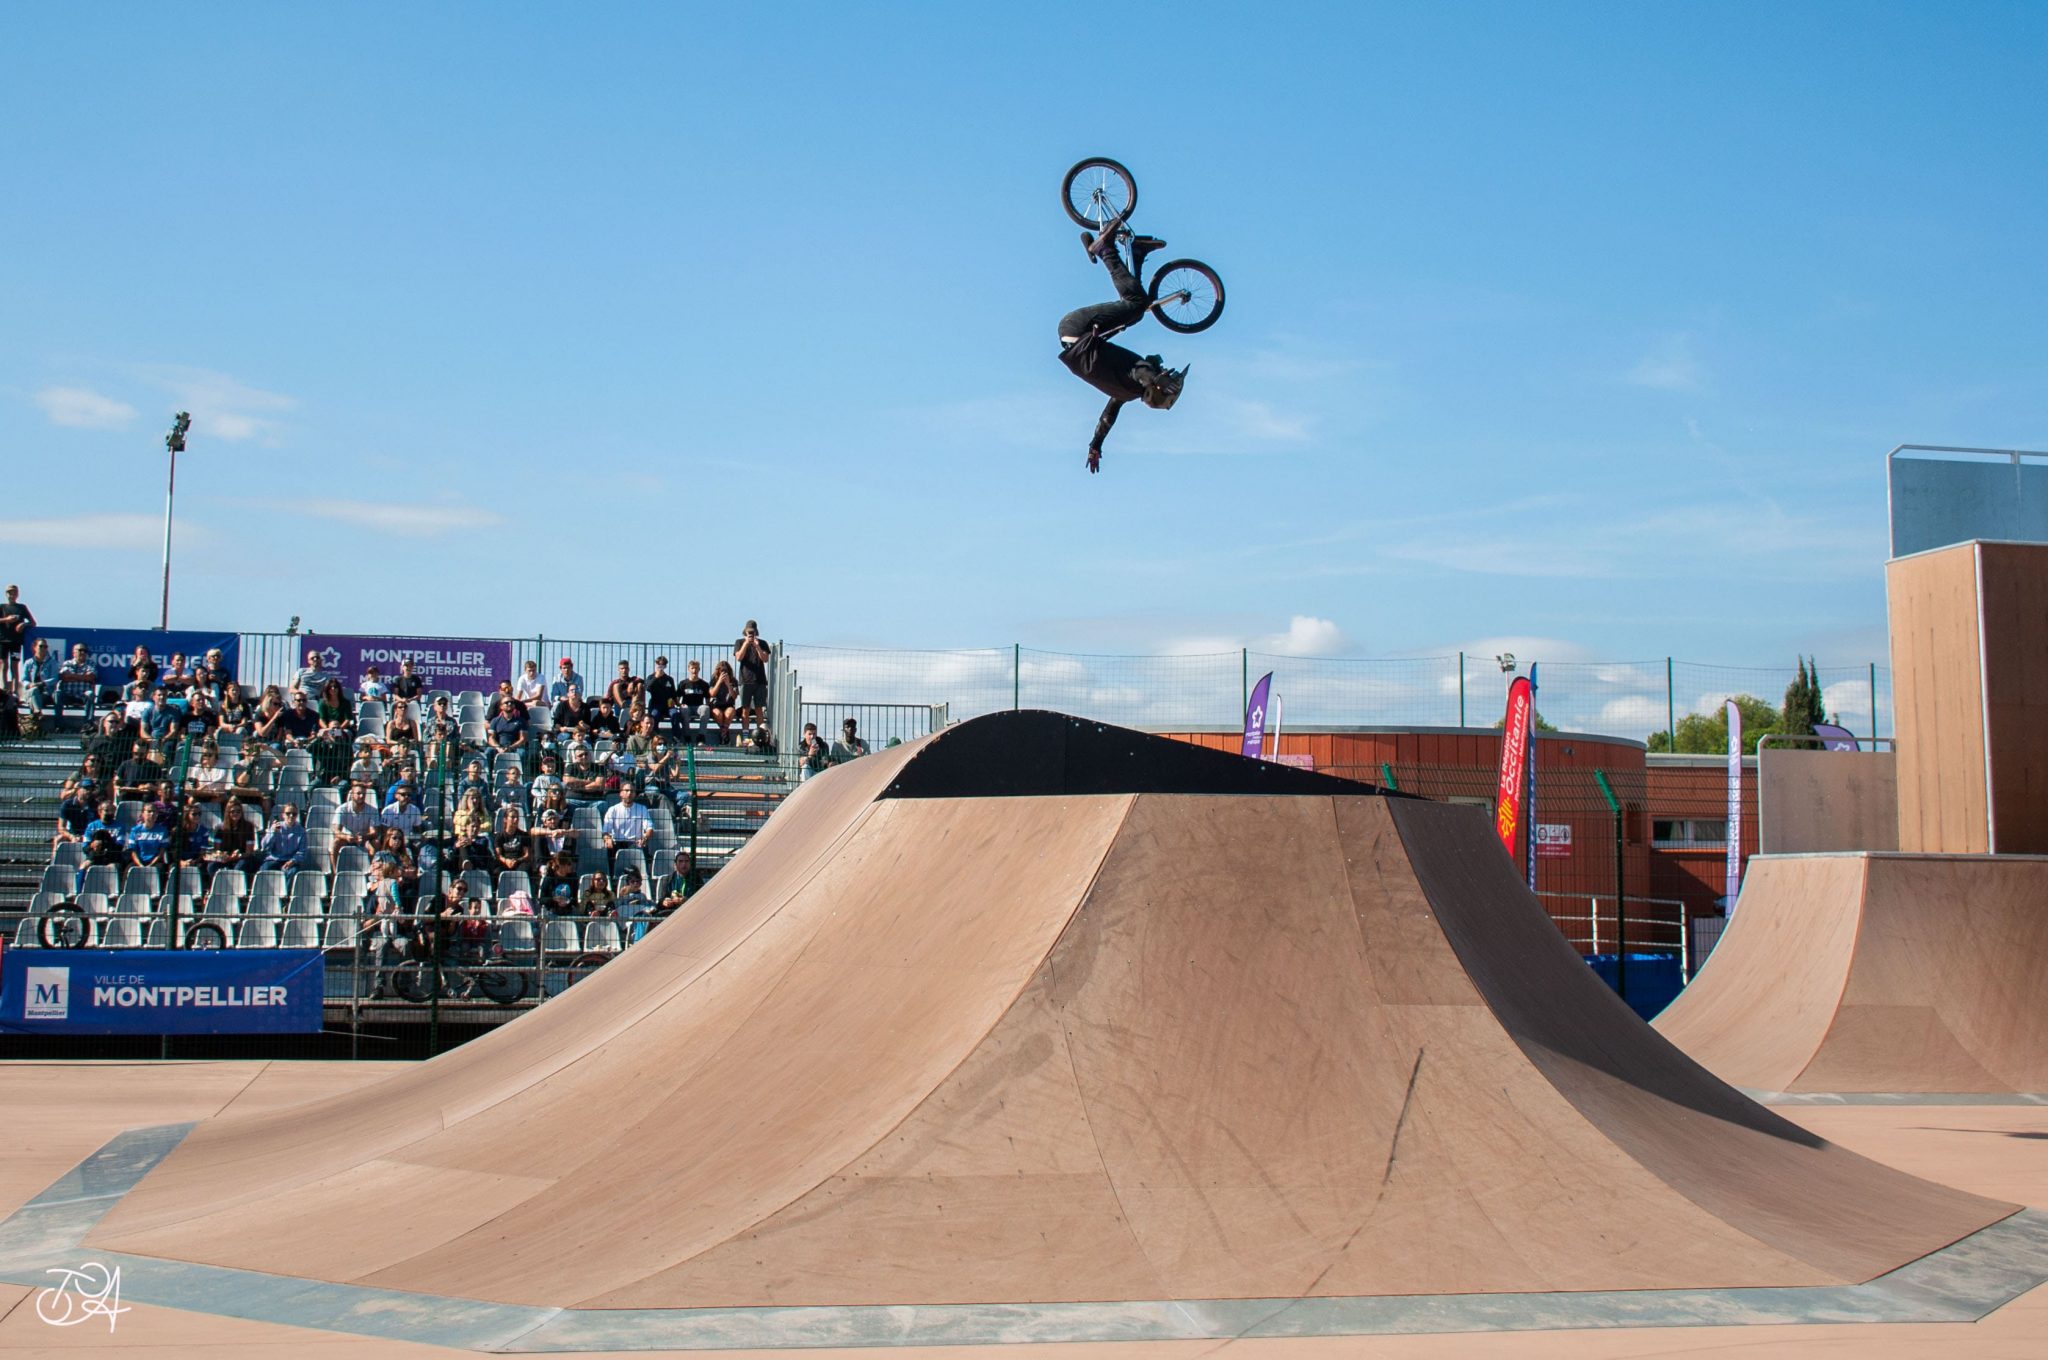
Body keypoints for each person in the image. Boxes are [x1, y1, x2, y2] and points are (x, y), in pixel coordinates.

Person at [1057, 213, 1187, 473]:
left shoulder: (1140, 378)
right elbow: (1107, 418)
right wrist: (1096, 444)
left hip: (1078, 330)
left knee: (1137, 306)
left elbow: (1142, 374)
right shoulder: (1124, 394)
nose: (1164, 370)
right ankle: (1136, 254)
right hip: (1079, 340)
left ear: (1158, 387)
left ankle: (1105, 249)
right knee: (1135, 309)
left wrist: (1153, 377)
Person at [600, 783, 652, 870]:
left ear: (635, 794)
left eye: (632, 791)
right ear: (620, 793)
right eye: (627, 790)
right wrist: (607, 838)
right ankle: (613, 878)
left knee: (643, 848)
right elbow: (606, 830)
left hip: (636, 842)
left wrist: (645, 838)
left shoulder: (642, 809)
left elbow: (650, 828)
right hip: (618, 842)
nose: (629, 793)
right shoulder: (613, 810)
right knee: (609, 849)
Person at [732, 621, 770, 733]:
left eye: (752, 632)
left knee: (759, 709)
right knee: (745, 709)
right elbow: (739, 657)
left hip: (760, 680)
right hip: (745, 679)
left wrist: (757, 647)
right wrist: (746, 644)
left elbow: (765, 659)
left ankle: (760, 733)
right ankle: (745, 733)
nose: (751, 635)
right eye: (749, 632)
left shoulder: (762, 643)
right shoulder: (739, 642)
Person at [210, 797, 259, 876]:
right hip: (225, 858)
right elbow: (217, 849)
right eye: (232, 811)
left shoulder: (248, 826)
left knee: (239, 867)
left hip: (242, 857)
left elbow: (249, 852)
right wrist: (224, 856)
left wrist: (236, 856)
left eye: (238, 811)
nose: (235, 813)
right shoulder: (220, 828)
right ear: (228, 813)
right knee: (211, 866)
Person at [257, 801, 309, 876]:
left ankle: (286, 888)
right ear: (283, 815)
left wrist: (293, 861)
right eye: (288, 813)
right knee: (264, 870)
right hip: (274, 858)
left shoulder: (301, 831)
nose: (291, 816)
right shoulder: (276, 827)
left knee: (291, 872)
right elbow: (264, 846)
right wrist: (272, 833)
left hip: (290, 860)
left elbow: (302, 851)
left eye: (294, 814)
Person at [0, 584, 34, 695]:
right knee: (3, 665)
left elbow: (33, 622)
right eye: (10, 593)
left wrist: (23, 624)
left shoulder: (22, 608)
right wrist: (6, 620)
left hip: (16, 641)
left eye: (14, 593)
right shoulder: (2, 607)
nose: (12, 595)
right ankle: (4, 690)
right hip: (2, 641)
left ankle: (15, 691)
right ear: (6, 594)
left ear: (17, 594)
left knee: (14, 666)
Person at [57, 643, 97, 728]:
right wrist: (82, 676)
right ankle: (59, 725)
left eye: (85, 651)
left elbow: (90, 677)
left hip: (83, 695)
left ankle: (88, 725)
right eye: (80, 650)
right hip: (68, 694)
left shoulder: (91, 664)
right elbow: (63, 677)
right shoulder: (67, 663)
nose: (83, 652)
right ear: (73, 652)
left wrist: (72, 676)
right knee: (58, 694)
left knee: (90, 694)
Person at [124, 801, 172, 870]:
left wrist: (151, 865)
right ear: (143, 814)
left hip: (155, 862)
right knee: (129, 868)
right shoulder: (135, 830)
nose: (152, 814)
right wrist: (140, 865)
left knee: (161, 868)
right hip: (138, 861)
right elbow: (133, 852)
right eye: (149, 811)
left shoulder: (163, 830)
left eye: (154, 812)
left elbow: (161, 852)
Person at [115, 737, 165, 803]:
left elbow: (160, 787)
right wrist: (118, 786)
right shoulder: (125, 764)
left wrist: (151, 787)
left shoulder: (154, 767)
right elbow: (117, 781)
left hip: (145, 796)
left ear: (147, 752)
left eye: (141, 754)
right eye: (136, 753)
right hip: (128, 794)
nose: (137, 756)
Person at [674, 660, 711, 746]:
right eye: (692, 668)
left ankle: (701, 737)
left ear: (699, 669)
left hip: (698, 707)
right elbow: (677, 699)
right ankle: (687, 737)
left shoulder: (704, 684)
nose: (694, 670)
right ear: (689, 669)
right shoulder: (683, 683)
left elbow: (708, 699)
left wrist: (707, 705)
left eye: (696, 668)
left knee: (705, 709)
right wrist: (679, 704)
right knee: (684, 709)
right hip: (687, 706)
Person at [21, 638, 58, 718]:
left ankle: (36, 714)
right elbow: (24, 679)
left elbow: (55, 678)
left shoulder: (52, 662)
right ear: (34, 647)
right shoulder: (28, 662)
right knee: (33, 691)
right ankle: (38, 712)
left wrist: (42, 683)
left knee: (33, 697)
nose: (43, 649)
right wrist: (29, 685)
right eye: (41, 646)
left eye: (45, 647)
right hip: (31, 692)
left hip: (46, 693)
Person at [706, 661, 738, 745]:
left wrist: (728, 684)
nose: (724, 673)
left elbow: (734, 696)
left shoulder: (733, 681)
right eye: (721, 670)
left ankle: (723, 732)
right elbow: (712, 694)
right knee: (718, 713)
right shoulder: (714, 680)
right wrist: (719, 682)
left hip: (728, 705)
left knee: (729, 713)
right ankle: (724, 733)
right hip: (716, 705)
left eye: (725, 670)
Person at [644, 656, 678, 734]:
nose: (660, 667)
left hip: (668, 705)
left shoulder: (669, 679)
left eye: (662, 665)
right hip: (656, 704)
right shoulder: (651, 677)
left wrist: (677, 703)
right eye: (658, 665)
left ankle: (676, 737)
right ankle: (655, 735)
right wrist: (656, 677)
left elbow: (673, 693)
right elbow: (647, 688)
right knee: (654, 715)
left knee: (675, 714)